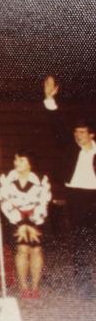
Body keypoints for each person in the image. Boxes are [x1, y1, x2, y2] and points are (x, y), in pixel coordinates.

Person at [42, 75, 96, 297]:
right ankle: (85, 287)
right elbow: (57, 125)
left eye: (81, 132)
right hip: (76, 197)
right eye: (75, 132)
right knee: (81, 241)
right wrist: (49, 99)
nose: (77, 136)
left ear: (92, 134)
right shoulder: (69, 146)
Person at [0, 150, 51, 299]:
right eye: (15, 160)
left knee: (36, 250)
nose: (16, 163)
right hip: (15, 218)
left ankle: (35, 287)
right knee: (22, 250)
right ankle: (23, 287)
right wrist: (21, 222)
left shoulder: (41, 179)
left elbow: (43, 201)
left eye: (21, 160)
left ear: (30, 163)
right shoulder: (6, 179)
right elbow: (4, 201)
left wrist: (31, 222)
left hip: (36, 218)